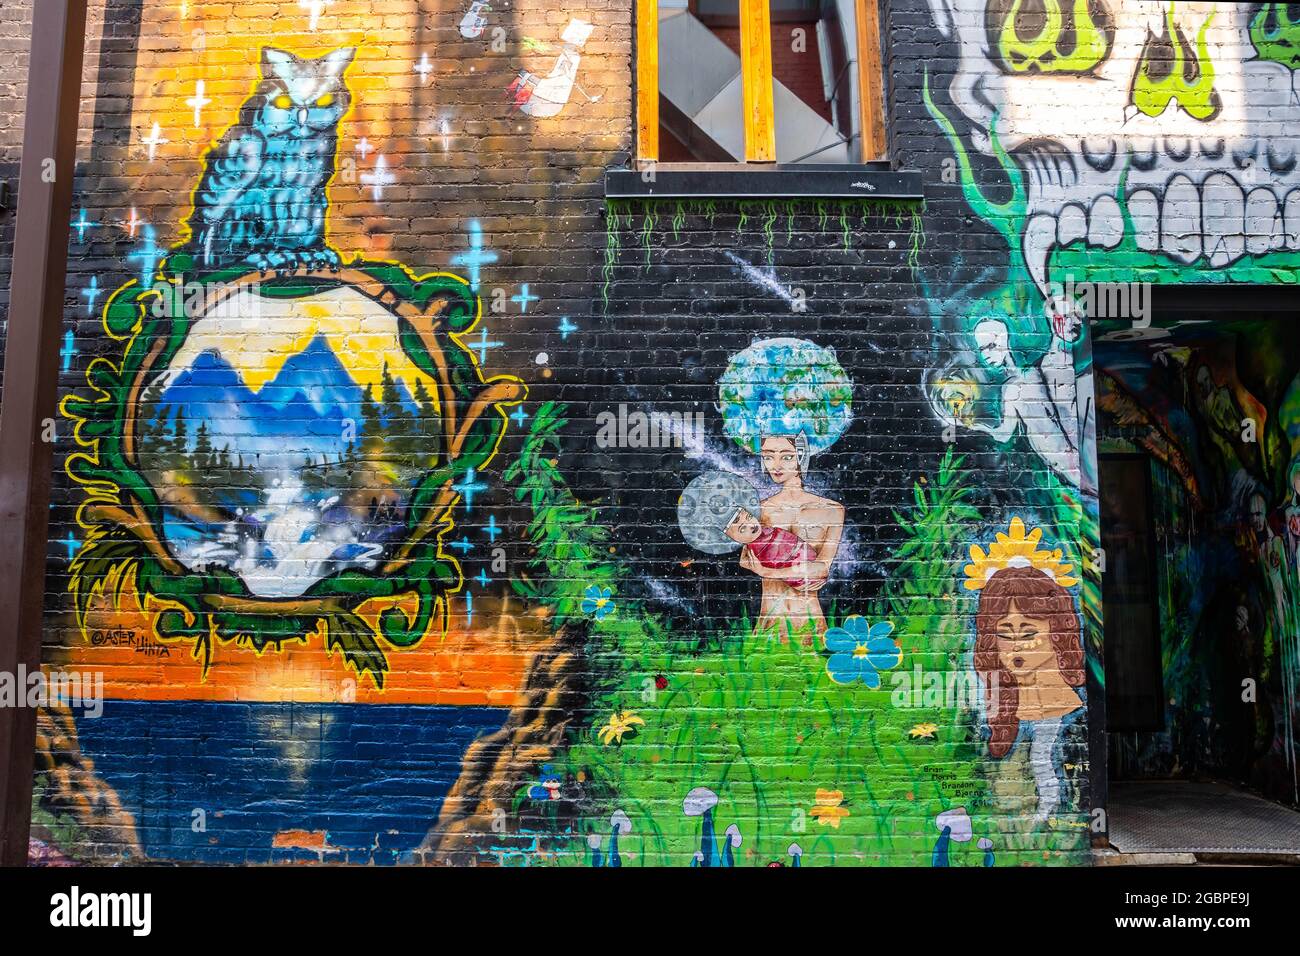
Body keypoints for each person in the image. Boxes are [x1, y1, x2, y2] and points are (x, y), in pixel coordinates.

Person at [738, 433, 844, 640]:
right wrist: (774, 570)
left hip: (809, 621)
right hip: (771, 619)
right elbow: (745, 560)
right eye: (768, 456)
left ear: (801, 455)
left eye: (786, 456)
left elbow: (822, 567)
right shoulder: (761, 510)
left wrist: (765, 570)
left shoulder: (832, 510)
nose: (775, 465)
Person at [723, 507, 817, 588]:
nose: (752, 526)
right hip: (803, 578)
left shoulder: (768, 527)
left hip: (811, 562)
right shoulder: (754, 553)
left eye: (749, 517)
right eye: (743, 529)